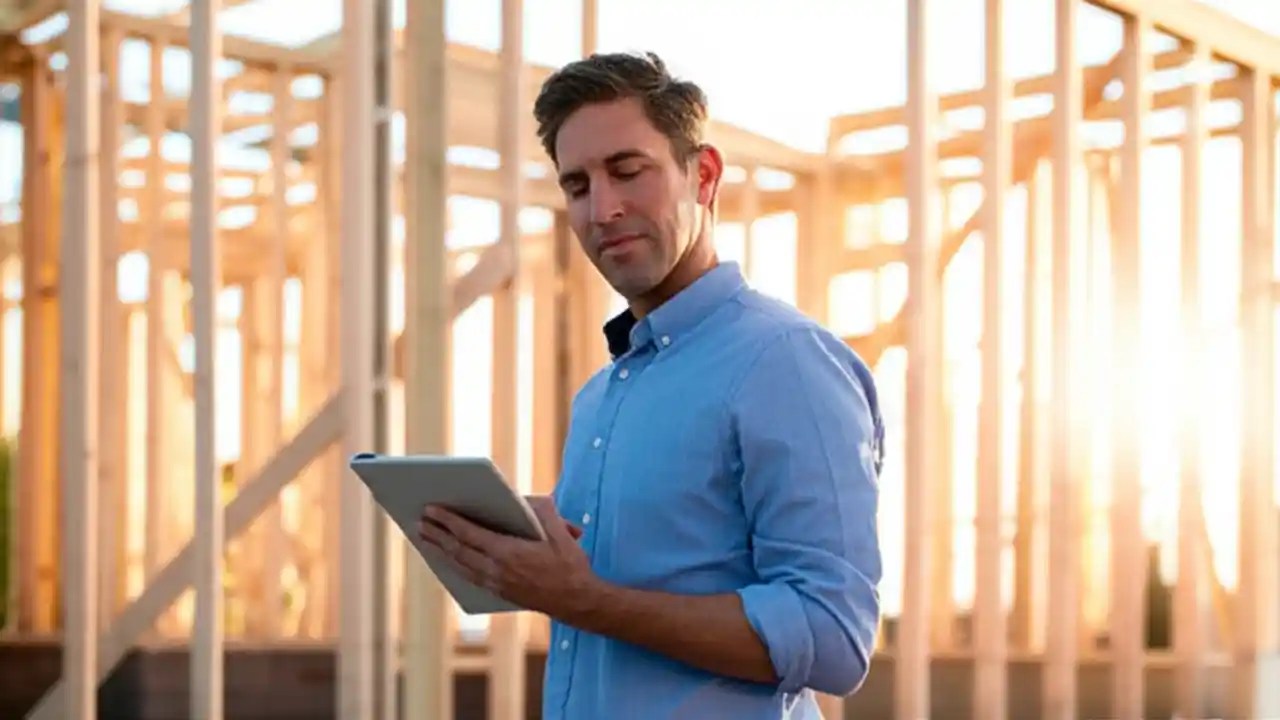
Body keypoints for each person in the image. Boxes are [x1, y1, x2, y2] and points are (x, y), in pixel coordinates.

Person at [418, 50, 885, 719]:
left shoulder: (788, 363)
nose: (602, 209)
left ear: (704, 175)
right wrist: (521, 553)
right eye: (577, 186)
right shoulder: (601, 395)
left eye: (627, 172)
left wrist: (583, 599)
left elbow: (835, 638)